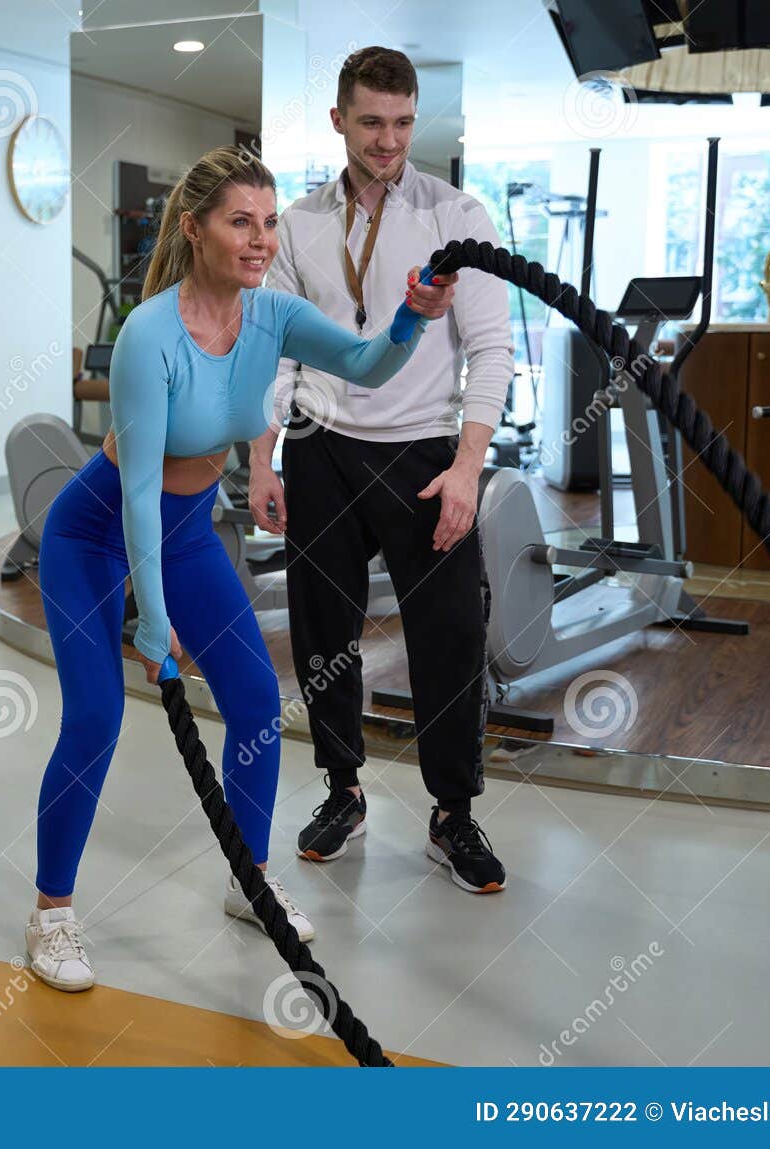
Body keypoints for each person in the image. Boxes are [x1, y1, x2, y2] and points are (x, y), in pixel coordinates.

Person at [26, 145, 458, 992]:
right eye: (240, 222)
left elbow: (367, 364)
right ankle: (50, 915)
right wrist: (151, 621)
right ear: (194, 230)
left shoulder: (272, 315)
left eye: (268, 222)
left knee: (258, 700)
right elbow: (138, 492)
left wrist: (412, 317)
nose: (261, 239)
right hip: (98, 531)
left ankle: (247, 878)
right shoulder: (149, 333)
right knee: (97, 718)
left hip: (184, 530)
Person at [248, 47, 514, 892]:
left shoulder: (456, 213)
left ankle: (453, 812)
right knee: (325, 634)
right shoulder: (296, 224)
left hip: (423, 454)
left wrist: (470, 467)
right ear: (338, 120)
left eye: (402, 123)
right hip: (321, 446)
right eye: (371, 122)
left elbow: (491, 349)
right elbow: (275, 351)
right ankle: (342, 788)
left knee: (449, 634)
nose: (388, 140)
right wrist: (264, 455)